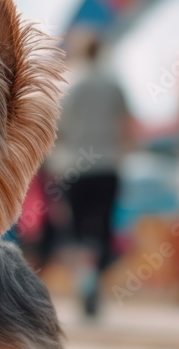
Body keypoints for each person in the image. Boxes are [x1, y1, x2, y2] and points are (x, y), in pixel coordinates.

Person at [53, 33, 133, 316]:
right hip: (108, 166)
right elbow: (127, 125)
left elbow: (55, 130)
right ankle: (94, 276)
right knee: (103, 228)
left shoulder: (67, 85)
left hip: (72, 166)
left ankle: (84, 280)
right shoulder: (113, 84)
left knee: (75, 229)